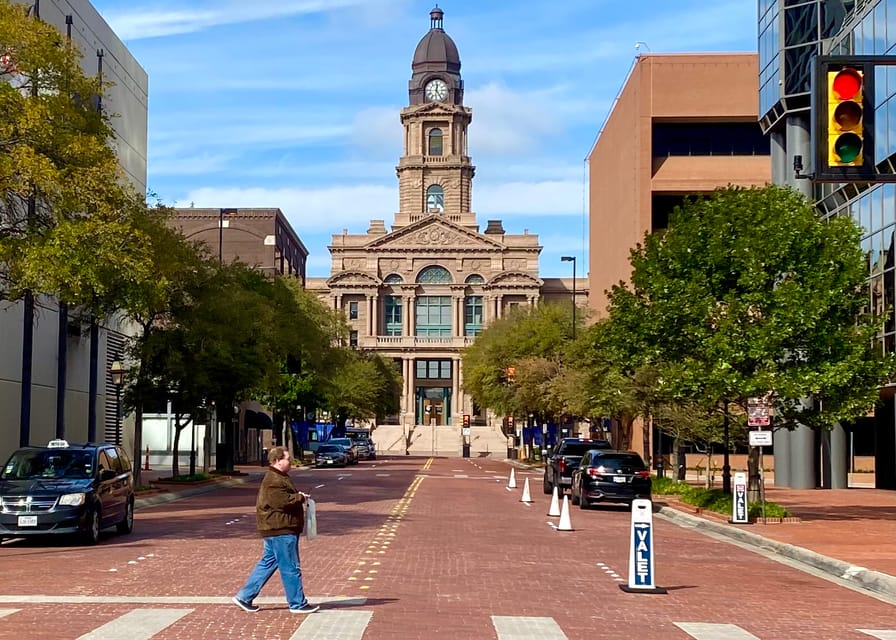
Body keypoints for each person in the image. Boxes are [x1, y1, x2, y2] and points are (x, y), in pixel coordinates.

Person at [232, 446, 318, 614]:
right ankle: (297, 603)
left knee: (267, 563)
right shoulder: (274, 480)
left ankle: (244, 596)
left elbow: (282, 499)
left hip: (275, 529)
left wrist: (297, 496)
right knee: (290, 566)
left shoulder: (278, 477)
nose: (290, 462)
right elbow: (281, 502)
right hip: (281, 529)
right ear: (278, 461)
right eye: (287, 459)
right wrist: (299, 497)